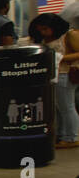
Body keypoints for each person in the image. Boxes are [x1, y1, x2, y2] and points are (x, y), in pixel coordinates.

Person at [29, 13, 79, 149]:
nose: (43, 32)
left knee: (67, 107)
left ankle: (73, 137)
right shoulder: (44, 39)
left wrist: (60, 58)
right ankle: (62, 135)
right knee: (58, 108)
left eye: (45, 29)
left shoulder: (69, 35)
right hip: (53, 75)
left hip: (65, 73)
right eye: (40, 29)